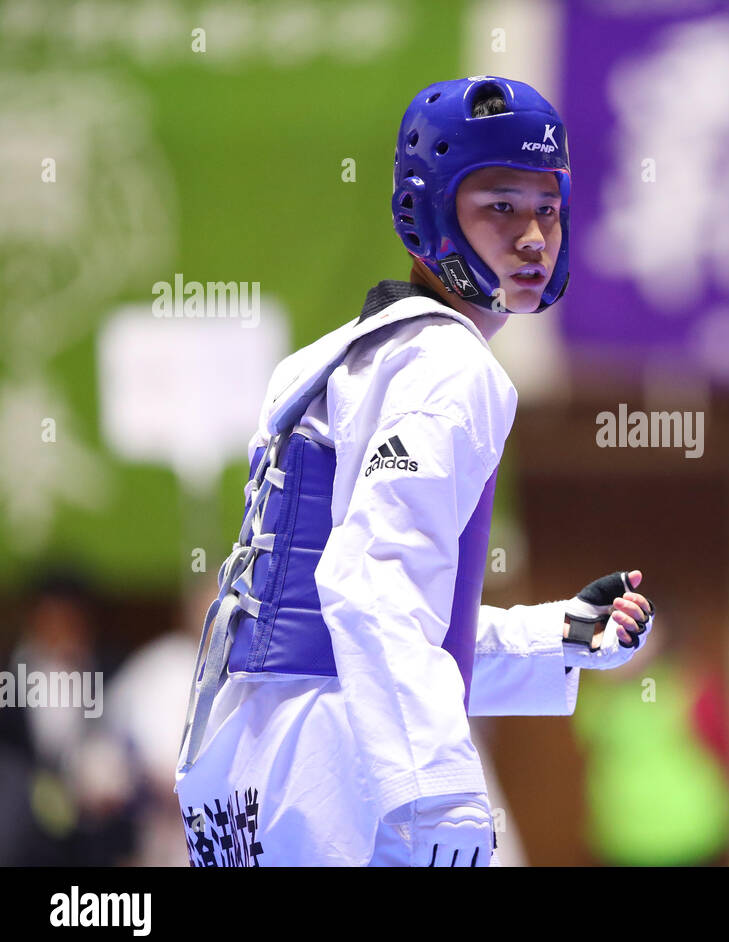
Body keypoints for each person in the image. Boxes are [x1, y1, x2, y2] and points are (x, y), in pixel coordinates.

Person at [174, 76, 655, 867]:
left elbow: (337, 624)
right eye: (500, 205)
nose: (533, 237)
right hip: (341, 778)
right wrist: (441, 791)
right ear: (425, 214)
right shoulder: (446, 363)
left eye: (548, 207)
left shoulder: (328, 360)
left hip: (249, 774)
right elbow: (371, 590)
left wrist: (550, 637)